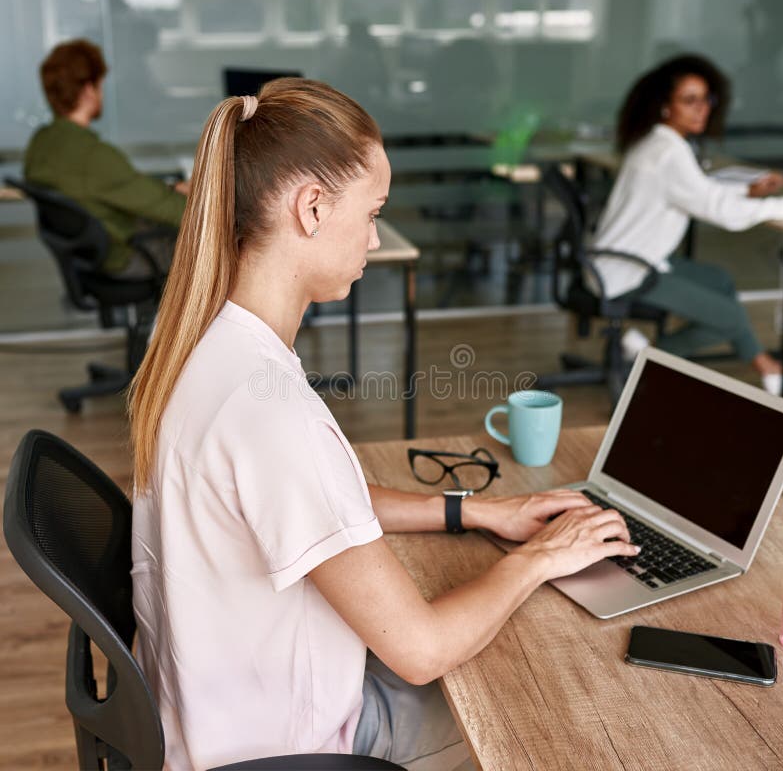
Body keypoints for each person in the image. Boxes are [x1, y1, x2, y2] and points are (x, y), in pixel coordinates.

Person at [128, 78, 638, 771]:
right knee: (541, 712)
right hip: (295, 748)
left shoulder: (205, 347)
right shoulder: (271, 414)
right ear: (312, 208)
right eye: (373, 212)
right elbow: (420, 649)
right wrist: (543, 557)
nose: (373, 237)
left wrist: (476, 513)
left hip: (216, 715)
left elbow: (314, 502)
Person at [590, 54, 783, 395]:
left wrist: (747, 191)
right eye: (689, 101)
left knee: (720, 282)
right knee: (729, 315)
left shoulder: (659, 142)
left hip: (630, 260)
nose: (701, 109)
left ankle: (651, 358)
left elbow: (696, 192)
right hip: (628, 271)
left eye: (706, 99)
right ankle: (655, 359)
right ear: (664, 107)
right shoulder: (667, 152)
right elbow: (722, 213)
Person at [24, 39, 187, 277]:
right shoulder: (93, 156)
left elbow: (112, 186)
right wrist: (211, 197)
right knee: (220, 243)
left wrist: (172, 187)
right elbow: (179, 212)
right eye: (100, 85)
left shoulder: (42, 142)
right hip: (124, 257)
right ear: (89, 90)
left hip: (85, 253)